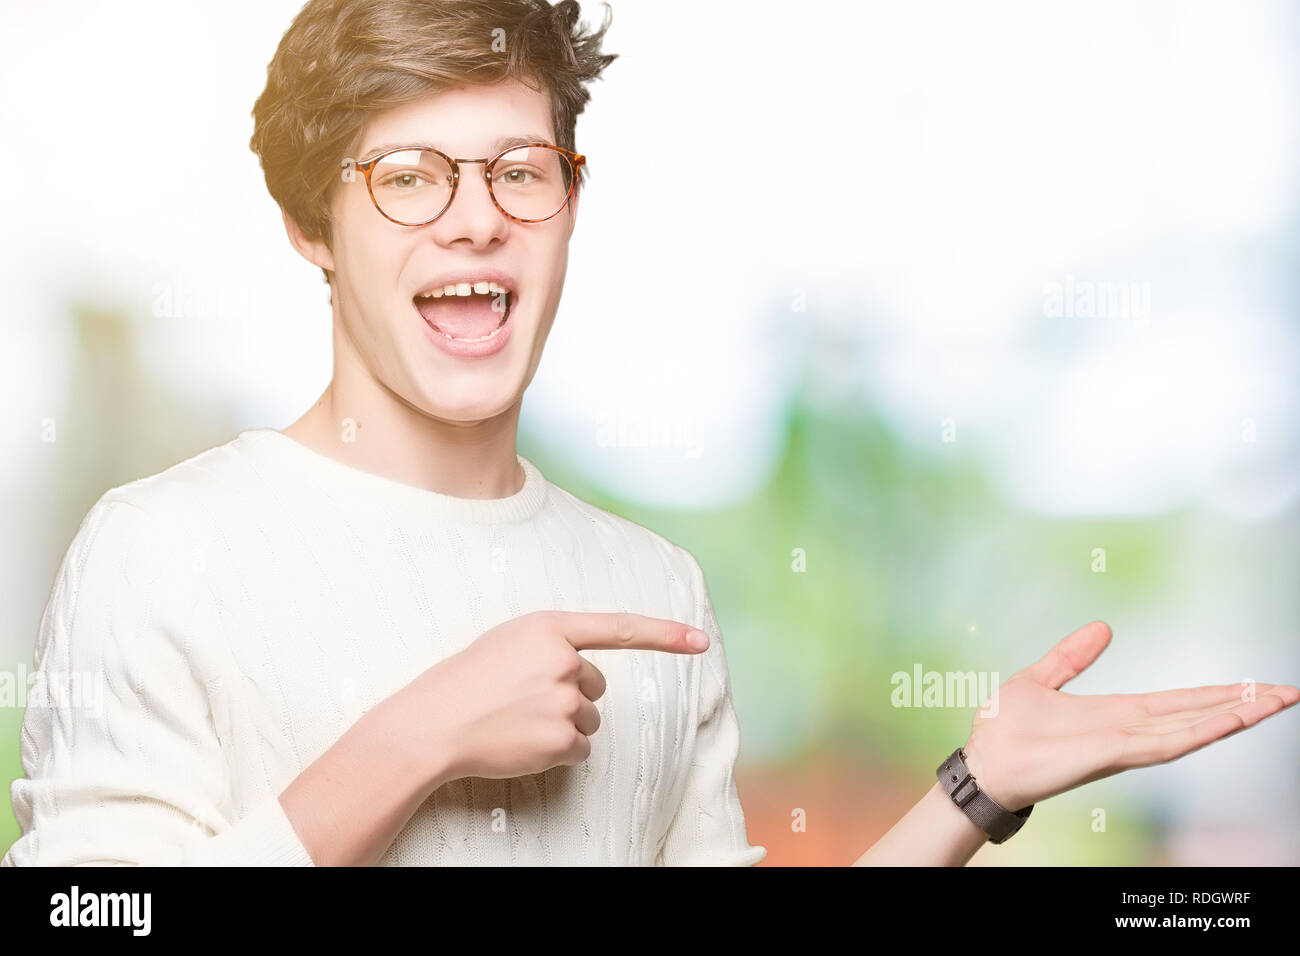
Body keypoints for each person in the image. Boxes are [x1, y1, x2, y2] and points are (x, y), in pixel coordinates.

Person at [4, 0, 1296, 868]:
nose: (473, 220)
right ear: (309, 227)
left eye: (518, 169)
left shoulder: (649, 591)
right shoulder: (162, 552)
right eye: (408, 176)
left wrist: (973, 792)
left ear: (570, 201)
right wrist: (416, 739)